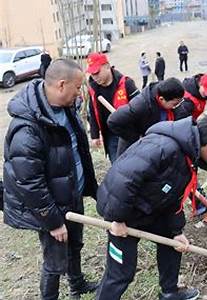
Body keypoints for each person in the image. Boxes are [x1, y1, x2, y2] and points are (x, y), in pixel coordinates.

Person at [95, 115, 207, 300]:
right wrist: (117, 219)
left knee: (173, 244)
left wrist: (176, 230)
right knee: (121, 273)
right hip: (122, 212)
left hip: (149, 208)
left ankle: (169, 292)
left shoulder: (188, 155)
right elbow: (123, 179)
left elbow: (175, 196)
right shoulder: (163, 148)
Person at [3, 59, 99, 299]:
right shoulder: (27, 129)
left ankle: (77, 285)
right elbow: (29, 182)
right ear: (61, 85)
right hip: (51, 207)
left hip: (71, 195)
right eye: (78, 87)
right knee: (55, 262)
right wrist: (53, 221)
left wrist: (89, 187)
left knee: (75, 245)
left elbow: (79, 151)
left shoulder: (68, 108)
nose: (80, 93)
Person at [108, 77, 186, 155]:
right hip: (134, 151)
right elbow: (113, 121)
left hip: (157, 148)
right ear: (161, 99)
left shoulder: (170, 96)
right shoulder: (140, 105)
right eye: (175, 104)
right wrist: (136, 138)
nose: (177, 106)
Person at [87, 52, 139, 163]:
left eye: (97, 72)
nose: (95, 77)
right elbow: (93, 111)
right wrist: (94, 135)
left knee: (133, 164)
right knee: (116, 166)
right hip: (110, 136)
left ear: (107, 66)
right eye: (92, 74)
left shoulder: (126, 84)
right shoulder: (93, 89)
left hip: (128, 134)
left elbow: (140, 108)